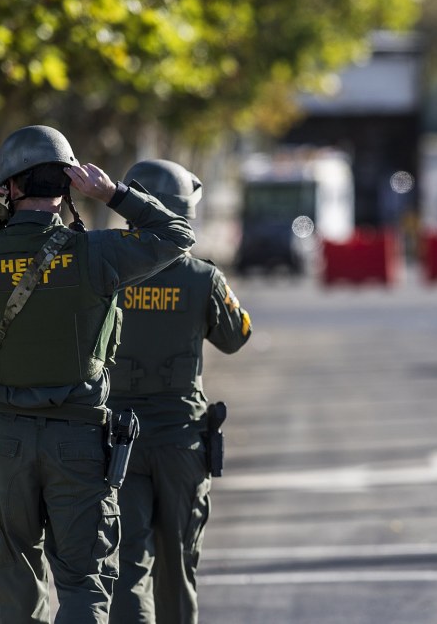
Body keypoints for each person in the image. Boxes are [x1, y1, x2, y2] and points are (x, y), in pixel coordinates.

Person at [0, 125, 195, 623]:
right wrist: (115, 193)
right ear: (70, 185)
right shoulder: (98, 254)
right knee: (82, 584)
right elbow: (178, 237)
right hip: (79, 440)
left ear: (8, 187)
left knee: (16, 581)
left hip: (7, 441)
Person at [107, 160, 252, 624]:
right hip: (180, 443)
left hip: (116, 444)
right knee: (178, 568)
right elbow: (236, 337)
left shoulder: (107, 271)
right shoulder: (200, 277)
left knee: (127, 566)